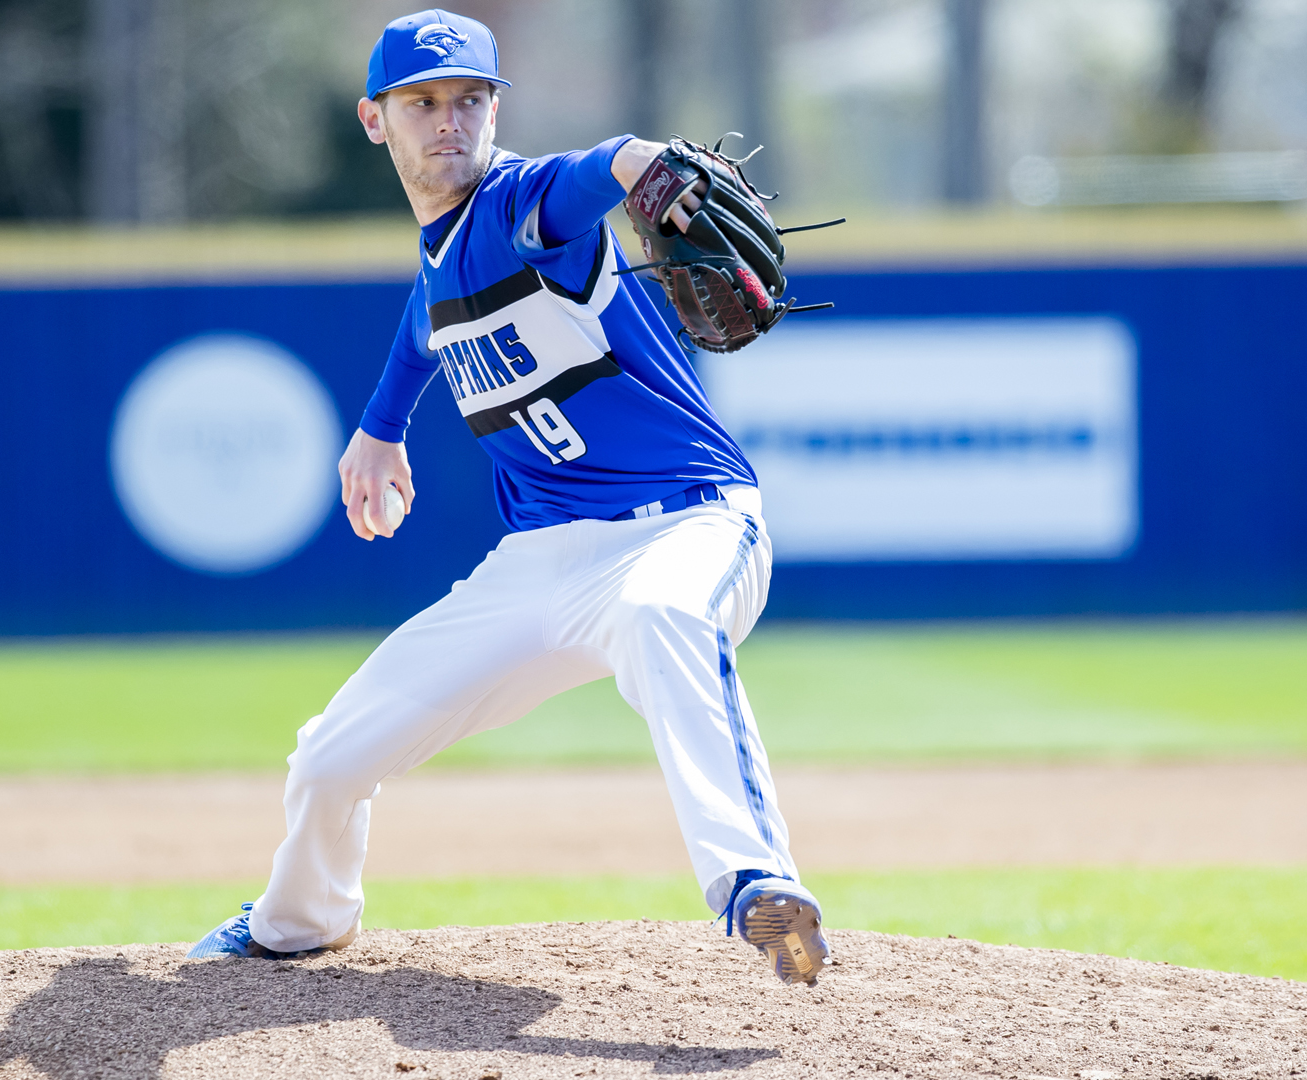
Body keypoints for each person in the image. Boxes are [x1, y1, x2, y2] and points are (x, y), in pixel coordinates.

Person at [188, 8, 831, 986]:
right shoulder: (444, 250)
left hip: (687, 524)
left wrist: (644, 170)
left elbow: (600, 168)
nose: (450, 121)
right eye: (424, 103)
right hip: (536, 567)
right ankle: (297, 919)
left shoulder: (520, 205)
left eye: (471, 100)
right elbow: (426, 319)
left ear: (495, 108)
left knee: (663, 618)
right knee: (327, 759)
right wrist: (380, 427)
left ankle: (757, 884)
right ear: (376, 119)